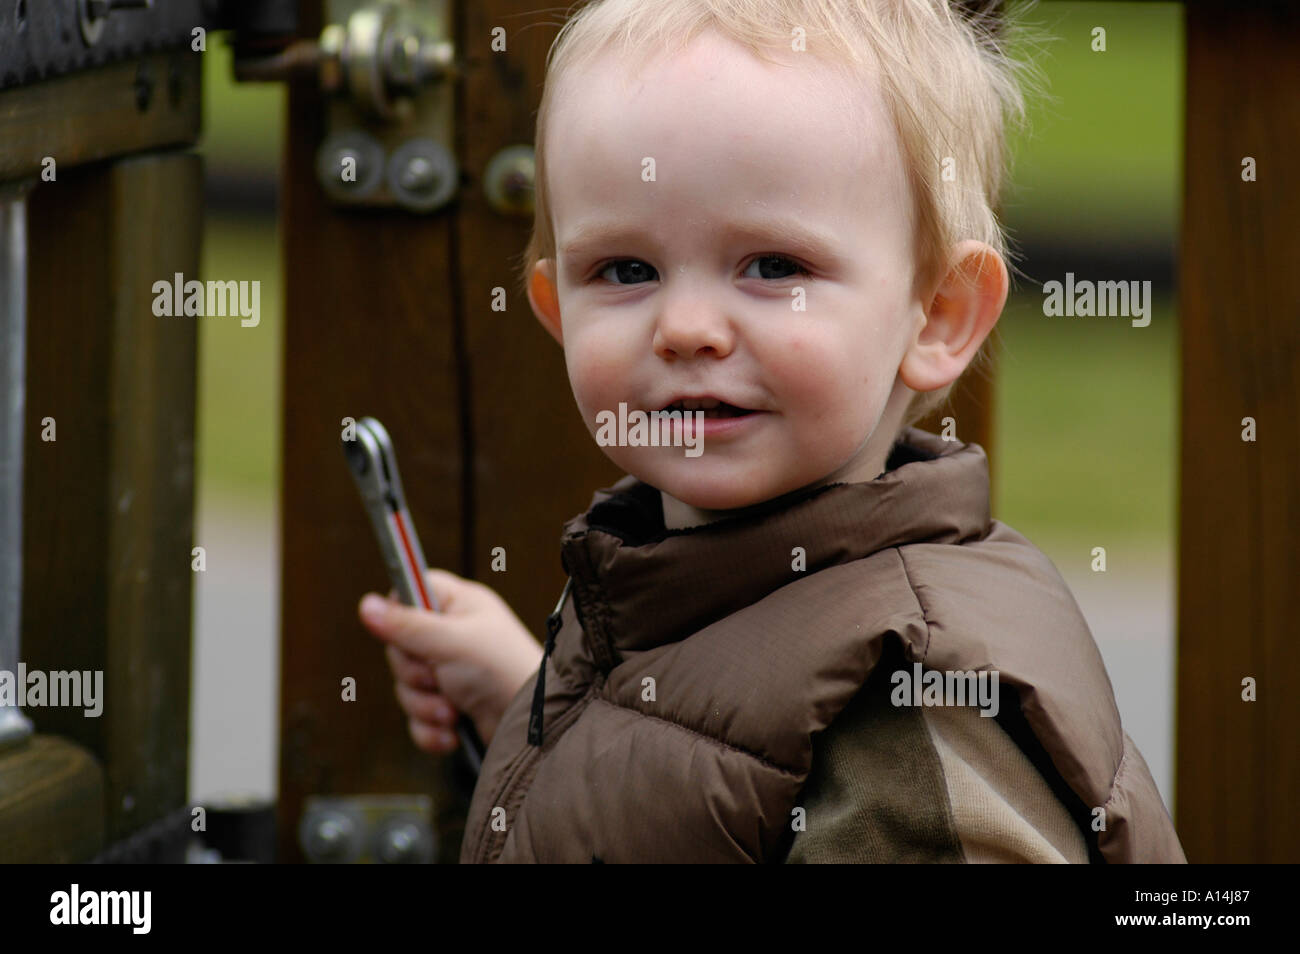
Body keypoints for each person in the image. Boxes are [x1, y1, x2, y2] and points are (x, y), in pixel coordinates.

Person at [358, 0, 1186, 863]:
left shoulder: (910, 704)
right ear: (556, 308)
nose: (685, 327)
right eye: (626, 270)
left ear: (938, 315)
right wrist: (531, 706)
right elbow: (702, 766)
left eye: (773, 267)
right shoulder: (680, 594)